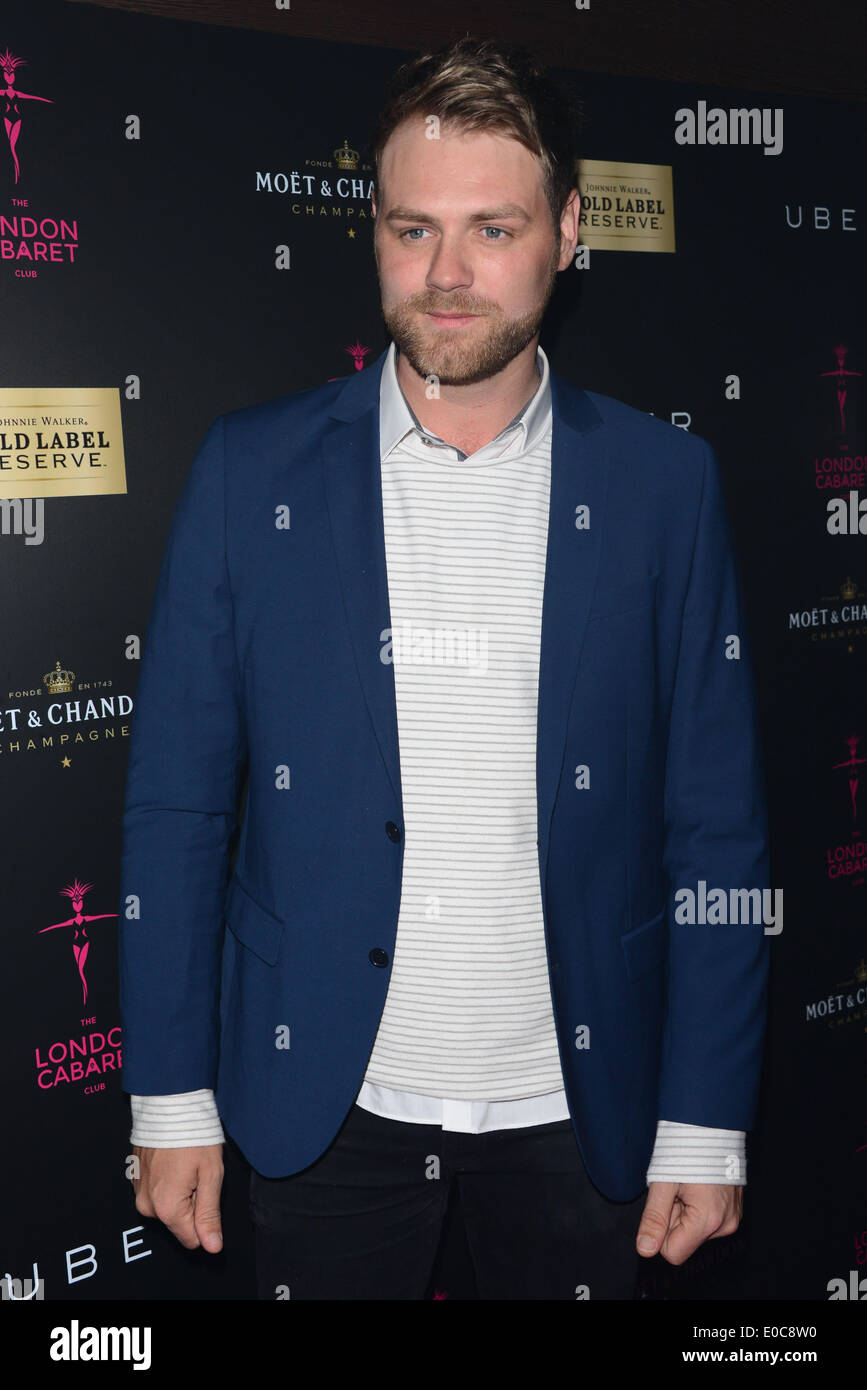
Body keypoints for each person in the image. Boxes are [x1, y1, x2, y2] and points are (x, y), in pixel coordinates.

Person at [119, 37, 770, 1300]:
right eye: (414, 231)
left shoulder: (660, 486)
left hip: (583, 1110)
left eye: (494, 229)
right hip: (323, 1102)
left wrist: (703, 1117)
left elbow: (719, 826)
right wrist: (169, 1091)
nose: (450, 276)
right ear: (371, 233)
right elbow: (179, 807)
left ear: (571, 230)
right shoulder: (250, 474)